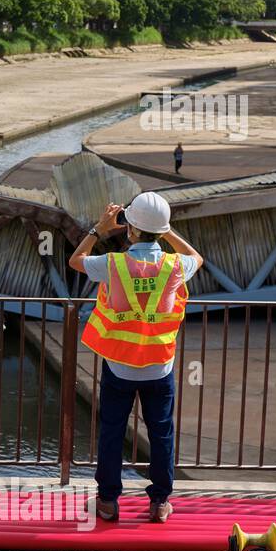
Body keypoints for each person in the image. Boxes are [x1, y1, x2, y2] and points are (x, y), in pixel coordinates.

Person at [68, 192, 203, 524]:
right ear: (161, 230)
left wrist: (99, 229)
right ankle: (159, 503)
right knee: (161, 433)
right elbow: (196, 256)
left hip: (120, 366)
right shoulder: (175, 265)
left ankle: (108, 502)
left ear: (129, 228)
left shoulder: (112, 264)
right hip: (160, 367)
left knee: (112, 431)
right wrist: (165, 230)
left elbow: (75, 260)